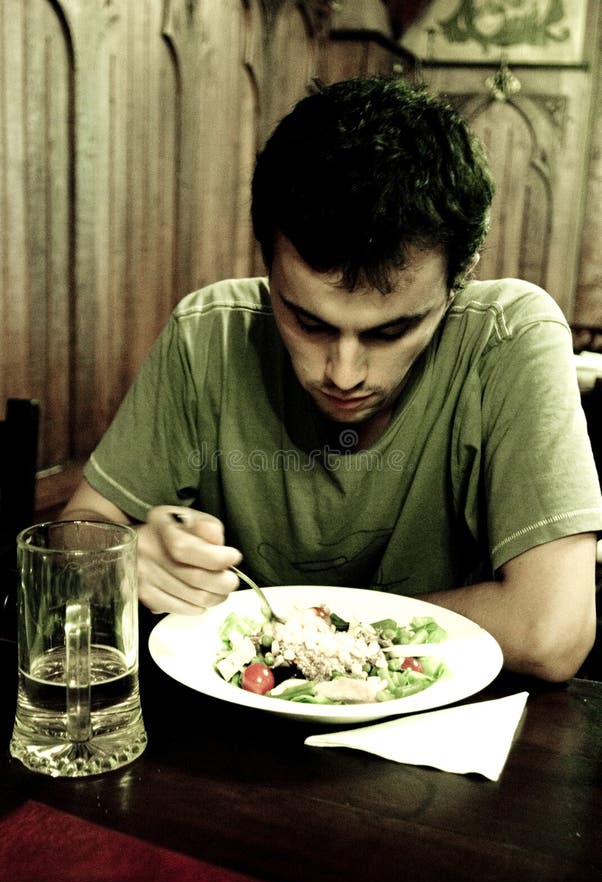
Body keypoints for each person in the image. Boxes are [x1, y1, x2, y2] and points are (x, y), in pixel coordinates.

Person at [63, 75, 602, 682]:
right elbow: (73, 540)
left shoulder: (510, 334)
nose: (343, 375)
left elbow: (553, 633)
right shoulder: (207, 333)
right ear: (266, 263)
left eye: (389, 331)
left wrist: (307, 642)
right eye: (307, 321)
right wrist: (128, 555)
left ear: (461, 278)